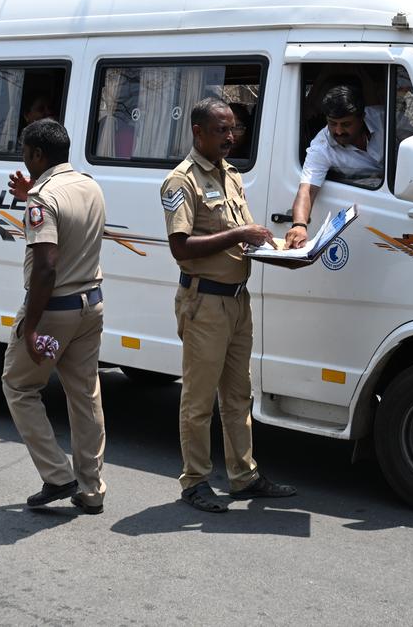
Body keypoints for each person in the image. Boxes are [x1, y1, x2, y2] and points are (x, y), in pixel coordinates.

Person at [161, 98, 298, 513]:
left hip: (238, 302)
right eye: (220, 130)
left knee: (239, 395)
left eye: (233, 129)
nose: (230, 137)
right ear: (198, 132)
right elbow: (180, 247)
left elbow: (245, 237)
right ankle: (195, 481)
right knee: (199, 400)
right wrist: (240, 233)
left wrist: (283, 248)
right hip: (204, 303)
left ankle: (244, 475)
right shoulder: (180, 181)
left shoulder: (232, 175)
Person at [0, 119, 108, 515]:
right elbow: (72, 221)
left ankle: (57, 475)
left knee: (18, 385)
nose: (24, 159)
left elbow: (45, 268)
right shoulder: (89, 184)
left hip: (54, 311)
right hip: (90, 305)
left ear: (37, 155)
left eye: (26, 153)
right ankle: (91, 489)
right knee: (85, 394)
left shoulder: (42, 198)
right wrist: (32, 195)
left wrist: (30, 326)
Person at [286, 84, 384, 249]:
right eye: (332, 124)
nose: (338, 131)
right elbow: (307, 189)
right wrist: (299, 225)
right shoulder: (321, 147)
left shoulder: (384, 118)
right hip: (368, 212)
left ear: (362, 117)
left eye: (346, 124)